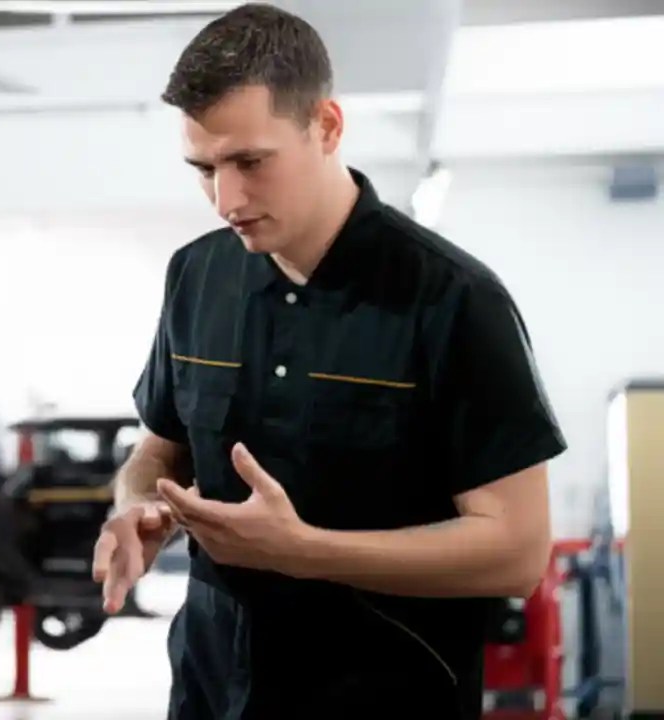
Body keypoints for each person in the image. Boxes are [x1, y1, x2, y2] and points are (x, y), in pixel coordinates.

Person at [91, 5, 566, 719]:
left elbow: (518, 551)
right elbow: (157, 454)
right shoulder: (195, 276)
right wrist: (138, 509)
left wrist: (305, 551)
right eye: (204, 169)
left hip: (383, 694)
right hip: (212, 688)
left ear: (327, 126)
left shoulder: (453, 300)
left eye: (250, 162)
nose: (226, 199)